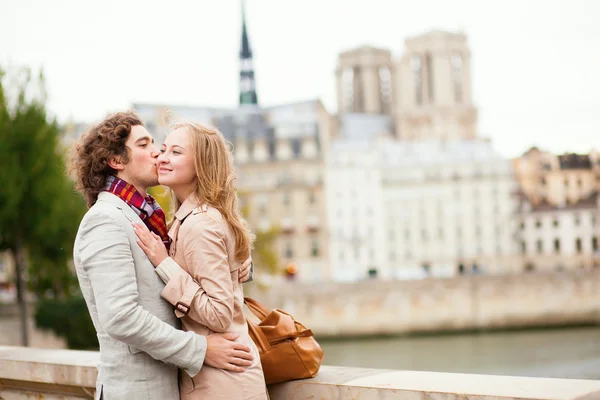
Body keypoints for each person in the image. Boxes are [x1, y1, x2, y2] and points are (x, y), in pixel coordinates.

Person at [72, 112, 255, 400]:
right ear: (117, 161)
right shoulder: (105, 221)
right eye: (144, 145)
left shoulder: (147, 216)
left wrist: (237, 262)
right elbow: (121, 317)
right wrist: (201, 349)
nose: (157, 152)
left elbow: (193, 262)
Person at [133, 120, 268, 399]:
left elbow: (219, 315)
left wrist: (164, 264)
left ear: (201, 165)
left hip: (224, 382)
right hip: (223, 378)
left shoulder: (199, 224)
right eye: (164, 149)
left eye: (177, 152)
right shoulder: (191, 218)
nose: (163, 158)